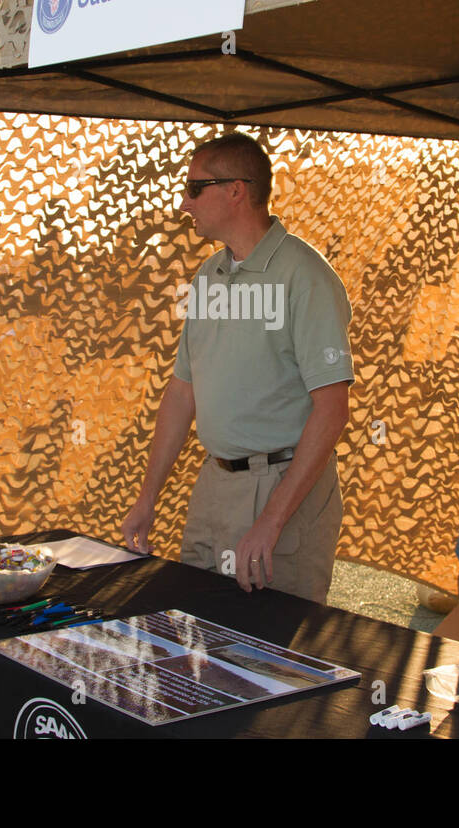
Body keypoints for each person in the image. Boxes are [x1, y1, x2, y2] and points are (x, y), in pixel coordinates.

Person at [121, 132, 353, 604]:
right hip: (213, 484)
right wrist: (147, 499)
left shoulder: (305, 277)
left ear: (236, 190)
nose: (184, 203)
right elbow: (182, 393)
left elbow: (331, 411)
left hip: (282, 491)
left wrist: (272, 518)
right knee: (196, 641)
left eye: (194, 188)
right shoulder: (209, 275)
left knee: (270, 661)